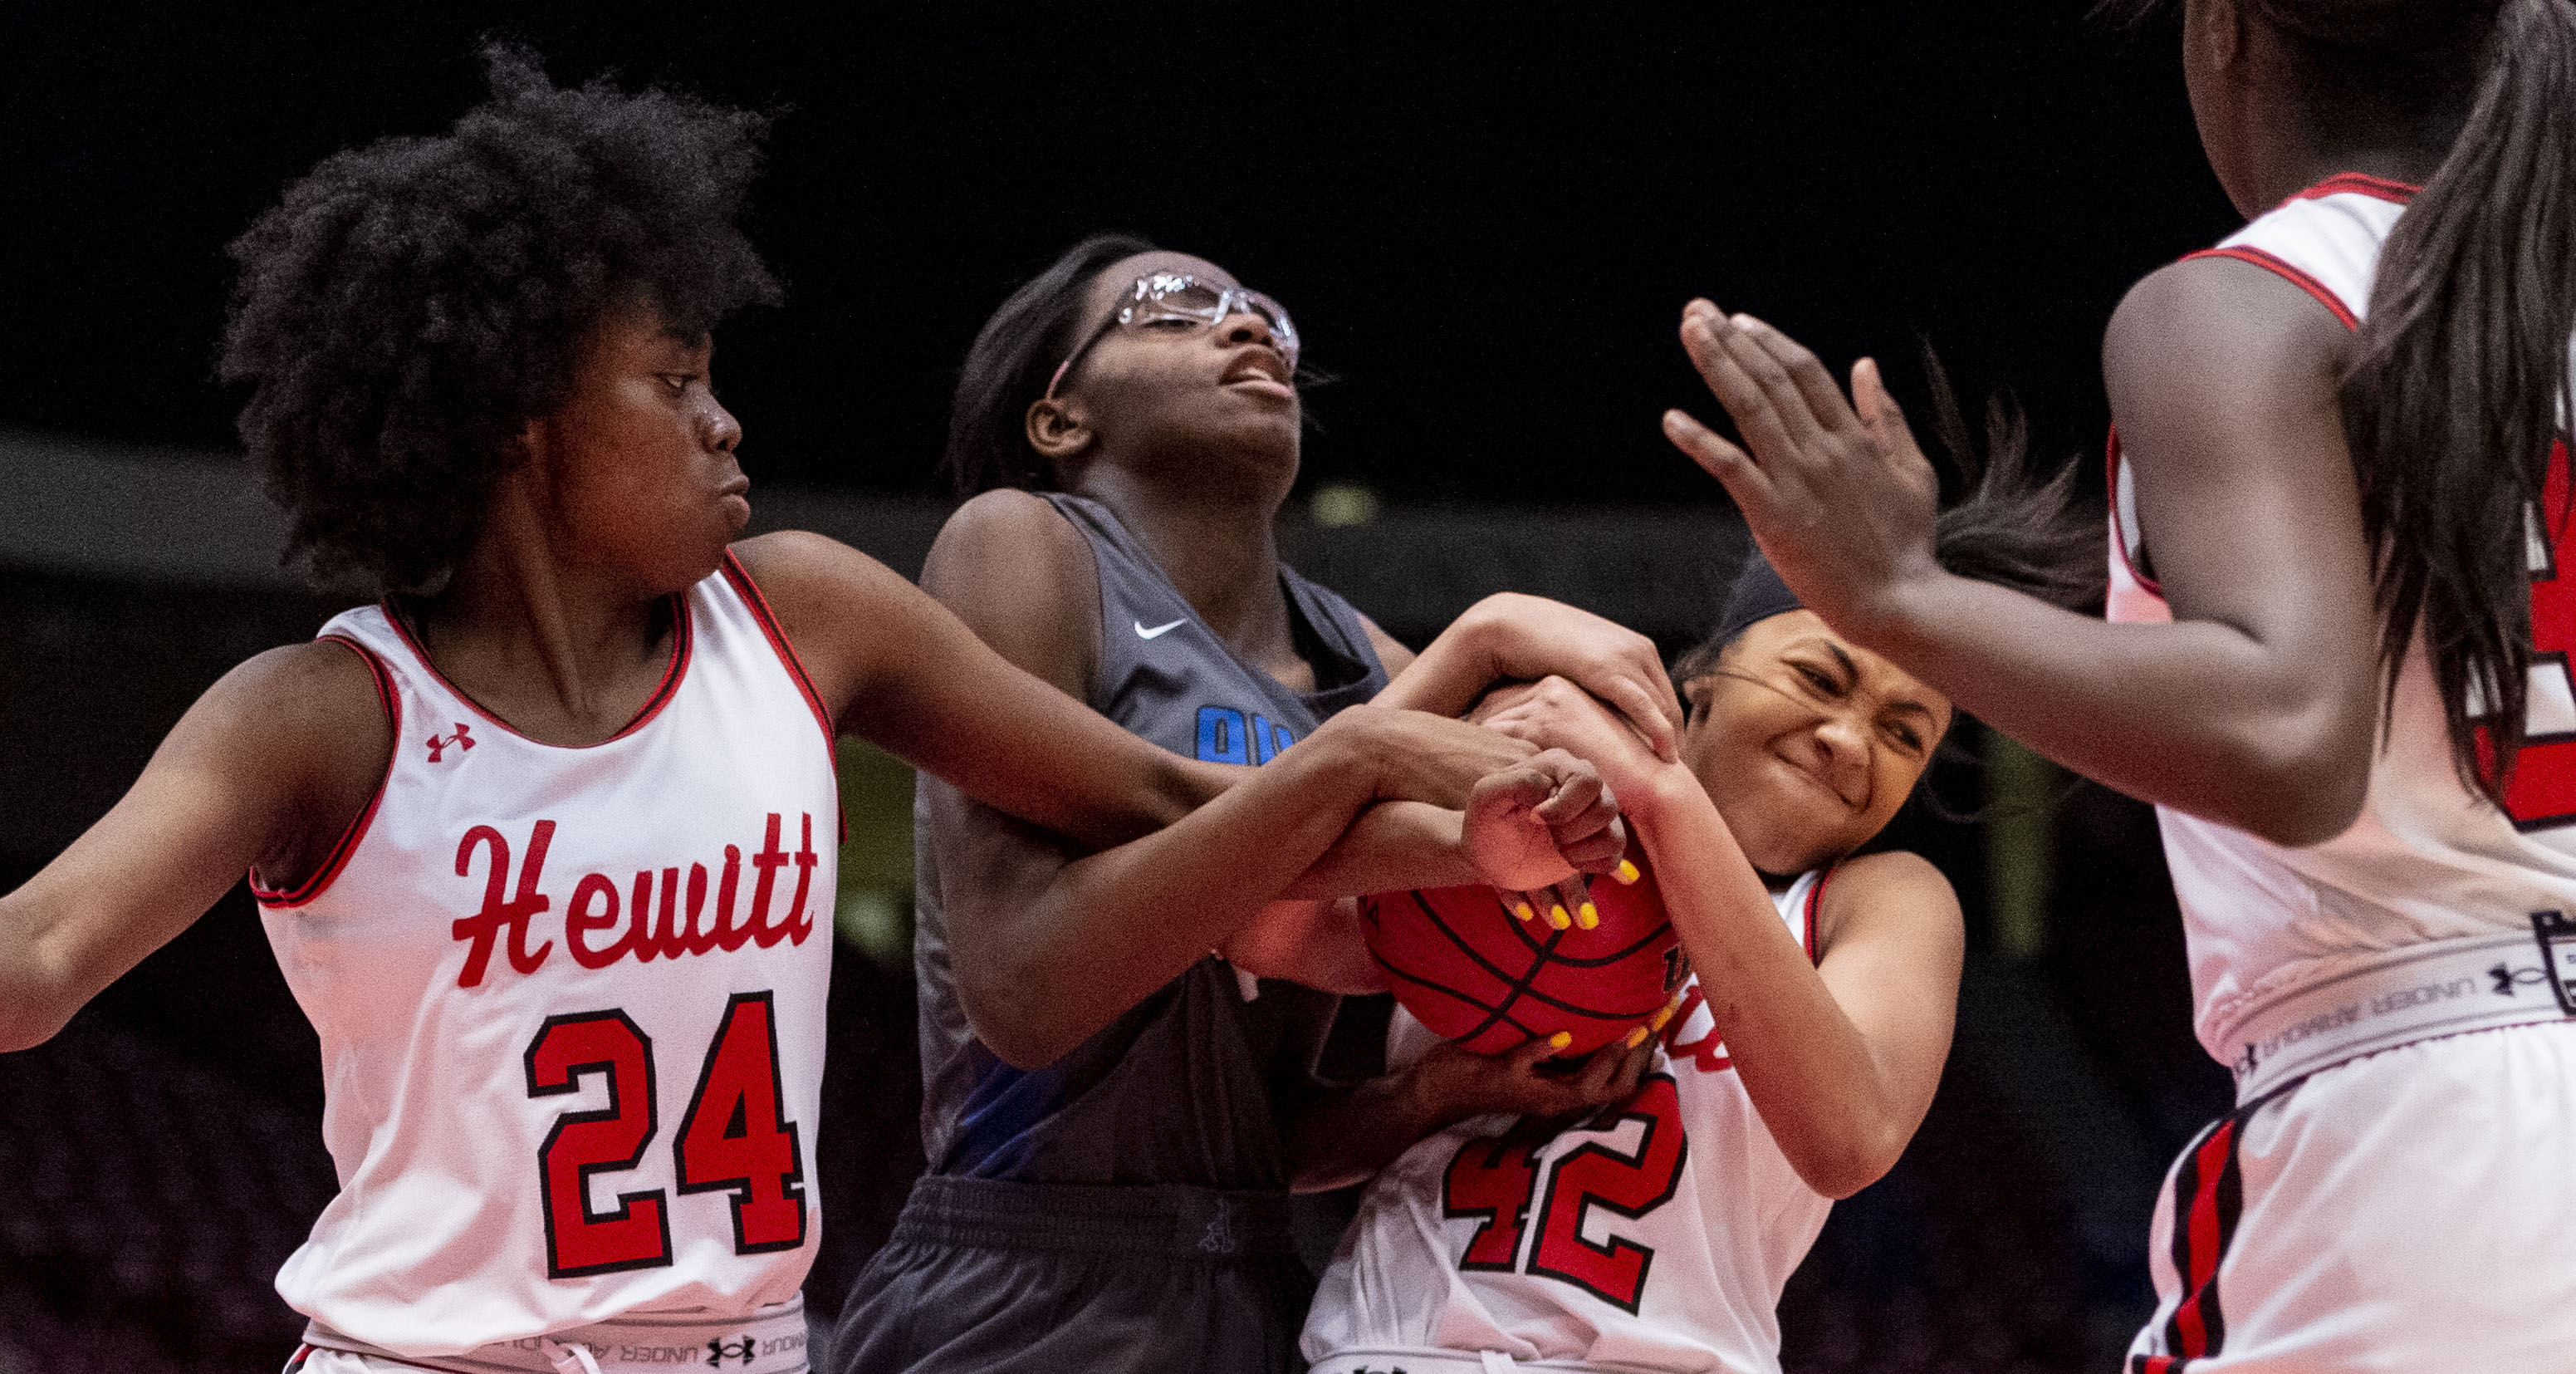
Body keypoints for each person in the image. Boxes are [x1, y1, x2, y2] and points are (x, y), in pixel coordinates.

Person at [0, 52, 1581, 1374]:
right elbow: (47, 948)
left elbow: (1169, 800)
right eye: (675, 379)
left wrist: (1454, 835)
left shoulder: (799, 616)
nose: (727, 421)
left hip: (737, 1345)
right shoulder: (319, 712)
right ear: (518, 419)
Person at [1661, 2, 2576, 1367]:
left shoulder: (2247, 298)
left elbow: (2290, 726)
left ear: (2224, 33)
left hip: (2437, 1108)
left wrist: (1897, 595)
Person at [831, 238, 1682, 1374]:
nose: (1243, 328)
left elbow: (1267, 1134)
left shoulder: (1353, 653)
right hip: (1024, 1279)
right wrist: (1456, 660)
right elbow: (1025, 989)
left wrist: (1427, 1089)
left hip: (1255, 1284)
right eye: (1172, 309)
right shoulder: (1021, 542)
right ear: (1059, 417)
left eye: (1261, 316)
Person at [1277, 420, 2099, 1374]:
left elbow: (1849, 1138)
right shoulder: (1532, 820)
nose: (1849, 740)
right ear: (1701, 673)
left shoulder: (1879, 901)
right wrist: (1474, 643)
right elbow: (1259, 920)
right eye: (1817, 678)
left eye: (1905, 733)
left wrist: (1660, 791)